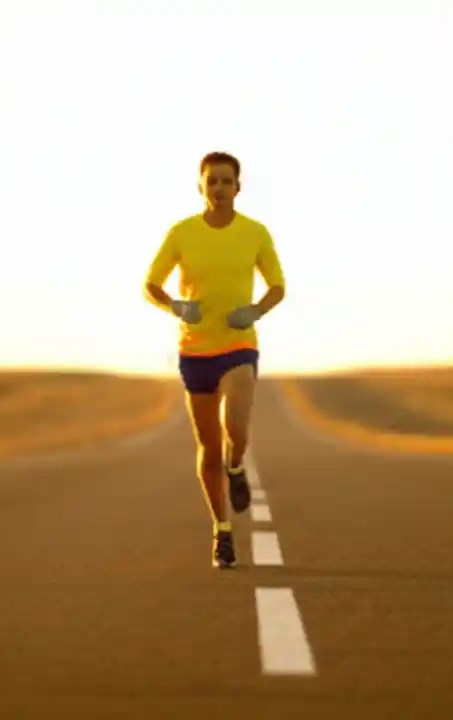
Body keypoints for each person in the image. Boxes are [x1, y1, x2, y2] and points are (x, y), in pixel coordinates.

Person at [143, 151, 286, 569]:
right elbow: (151, 283)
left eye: (227, 181)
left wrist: (256, 311)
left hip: (239, 345)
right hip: (195, 349)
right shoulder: (182, 233)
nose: (219, 188)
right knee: (207, 447)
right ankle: (222, 531)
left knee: (234, 428)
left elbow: (278, 285)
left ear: (238, 188)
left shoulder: (255, 233)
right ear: (200, 186)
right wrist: (175, 306)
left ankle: (237, 464)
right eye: (212, 181)